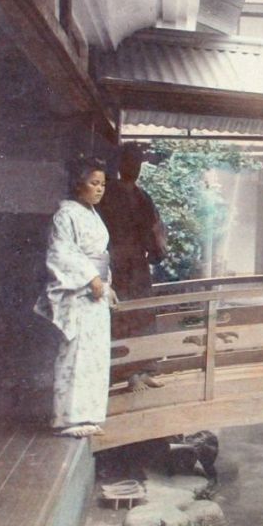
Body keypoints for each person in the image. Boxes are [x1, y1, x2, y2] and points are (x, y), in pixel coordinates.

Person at [35, 155, 116, 437]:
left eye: (102, 184)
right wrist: (91, 277)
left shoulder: (92, 214)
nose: (99, 189)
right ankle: (68, 417)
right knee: (76, 351)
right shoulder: (66, 214)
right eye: (94, 183)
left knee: (93, 354)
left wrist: (106, 283)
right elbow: (62, 253)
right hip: (79, 291)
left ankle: (89, 414)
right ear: (79, 184)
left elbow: (100, 256)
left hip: (95, 292)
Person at [97, 142, 168, 389]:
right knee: (123, 316)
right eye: (130, 161)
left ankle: (144, 368)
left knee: (144, 314)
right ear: (120, 164)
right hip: (116, 263)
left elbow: (155, 228)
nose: (134, 167)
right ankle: (126, 373)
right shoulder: (108, 194)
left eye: (137, 163)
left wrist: (156, 249)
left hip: (138, 263)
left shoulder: (142, 195)